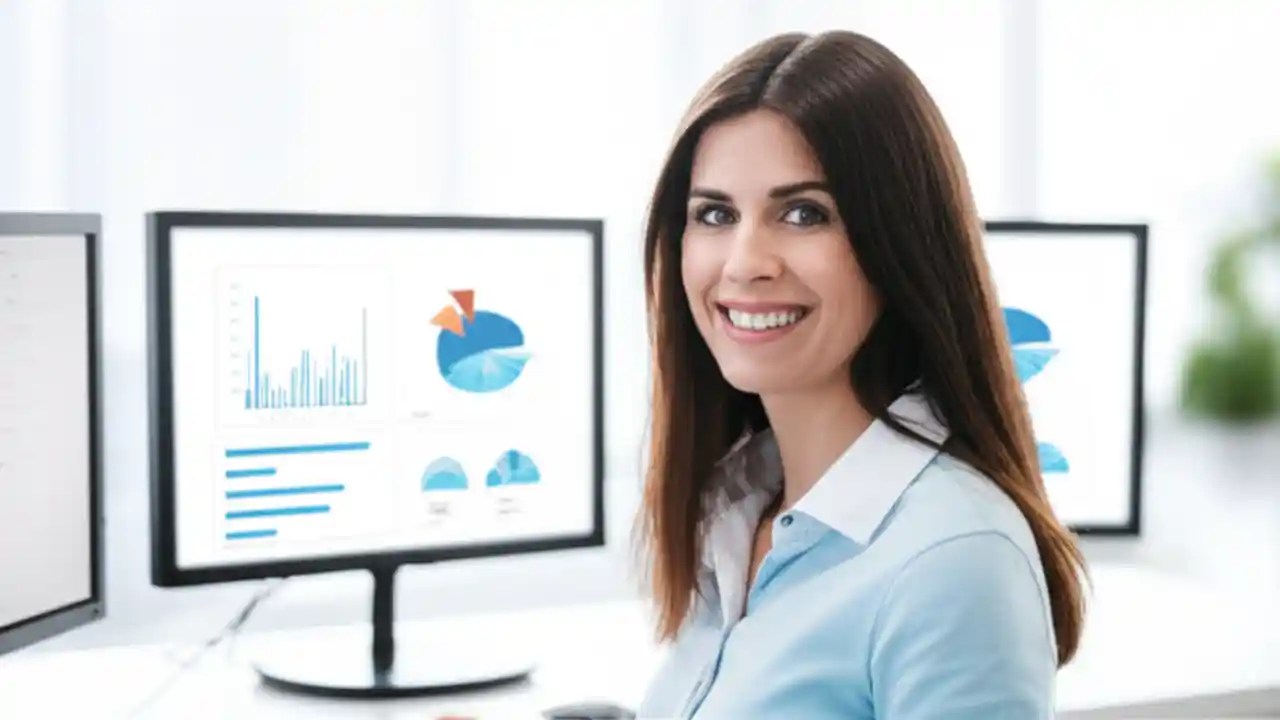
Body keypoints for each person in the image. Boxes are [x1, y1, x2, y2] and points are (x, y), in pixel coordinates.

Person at [634, 30, 1087, 719]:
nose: (745, 260)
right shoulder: (738, 505)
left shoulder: (953, 558)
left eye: (804, 213)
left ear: (896, 241)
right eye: (716, 213)